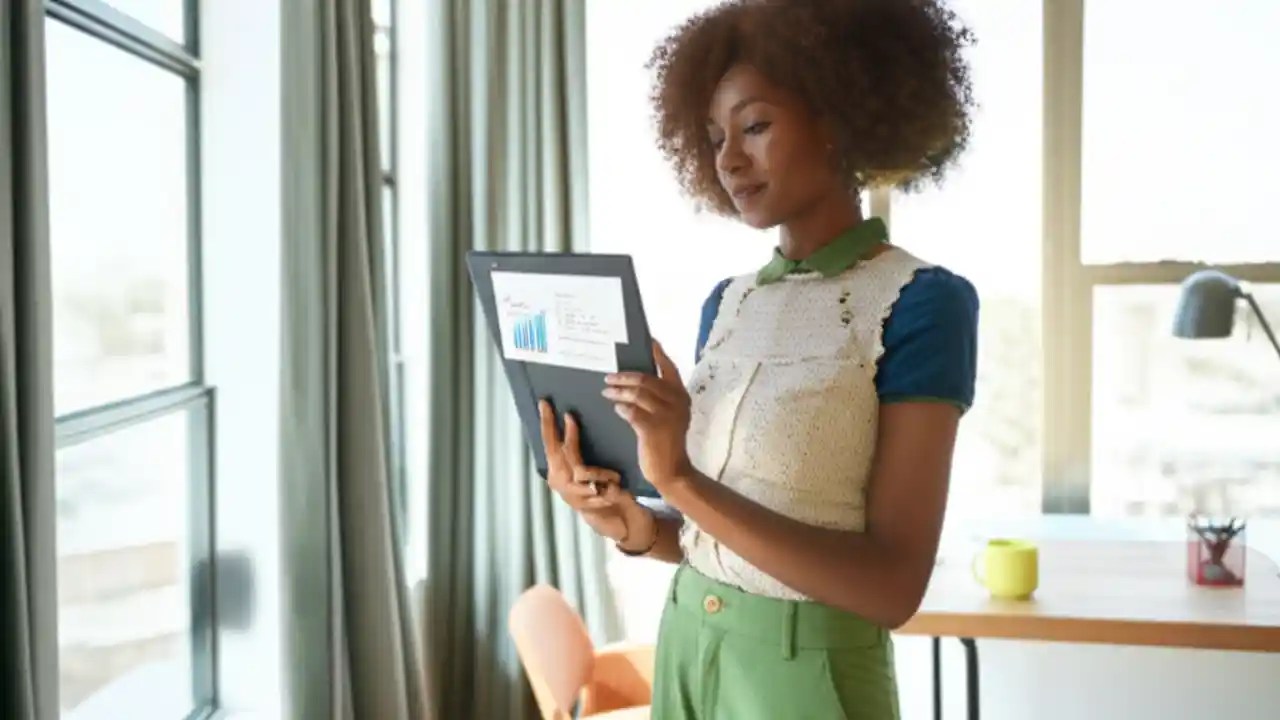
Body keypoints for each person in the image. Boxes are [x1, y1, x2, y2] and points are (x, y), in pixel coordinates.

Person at [538, 0, 978, 716]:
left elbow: (891, 588)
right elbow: (730, 536)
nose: (729, 159)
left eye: (756, 125)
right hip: (687, 646)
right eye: (714, 137)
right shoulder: (729, 303)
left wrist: (675, 477)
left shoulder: (921, 303)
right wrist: (639, 527)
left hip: (807, 680)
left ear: (837, 120)